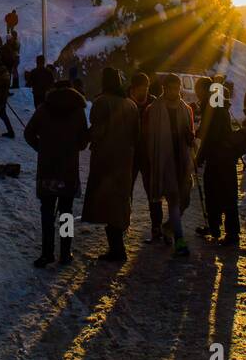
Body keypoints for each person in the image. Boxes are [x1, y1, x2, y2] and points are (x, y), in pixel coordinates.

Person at [24, 79, 89, 267]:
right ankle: (65, 252)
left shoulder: (43, 109)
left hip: (48, 169)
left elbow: (28, 133)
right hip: (68, 170)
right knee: (66, 213)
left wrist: (41, 148)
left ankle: (47, 253)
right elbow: (83, 142)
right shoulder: (78, 111)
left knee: (47, 212)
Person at [82, 68, 139, 262]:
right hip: (125, 160)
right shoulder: (131, 105)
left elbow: (97, 132)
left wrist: (84, 138)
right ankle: (117, 246)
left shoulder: (102, 103)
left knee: (107, 202)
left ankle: (117, 250)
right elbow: (136, 135)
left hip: (106, 160)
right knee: (119, 200)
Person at [144, 72, 196, 257]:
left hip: (181, 160)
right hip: (164, 160)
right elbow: (148, 137)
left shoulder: (186, 109)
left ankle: (168, 227)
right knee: (174, 199)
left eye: (177, 88)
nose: (174, 91)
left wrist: (191, 138)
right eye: (171, 88)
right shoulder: (154, 109)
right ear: (164, 88)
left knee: (185, 200)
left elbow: (190, 132)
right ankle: (180, 240)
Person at [195, 82, 242, 247]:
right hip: (226, 158)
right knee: (224, 194)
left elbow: (211, 136)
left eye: (198, 89)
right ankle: (219, 229)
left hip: (218, 158)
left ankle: (228, 233)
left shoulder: (212, 107)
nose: (196, 93)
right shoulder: (219, 106)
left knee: (216, 194)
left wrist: (199, 157)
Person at [128, 72, 164, 243]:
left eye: (147, 88)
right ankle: (123, 223)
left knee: (153, 192)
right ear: (133, 88)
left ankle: (156, 228)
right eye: (141, 88)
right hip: (130, 154)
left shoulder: (155, 103)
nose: (144, 91)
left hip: (149, 156)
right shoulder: (125, 103)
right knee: (126, 191)